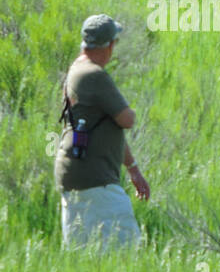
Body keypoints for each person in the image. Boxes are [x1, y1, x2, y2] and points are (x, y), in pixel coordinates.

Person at [54, 14, 150, 250]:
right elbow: (126, 119)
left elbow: (106, 125)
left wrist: (133, 168)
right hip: (95, 179)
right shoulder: (94, 75)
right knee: (127, 251)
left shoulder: (76, 70)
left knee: (84, 255)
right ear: (109, 45)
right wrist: (133, 113)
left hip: (76, 173)